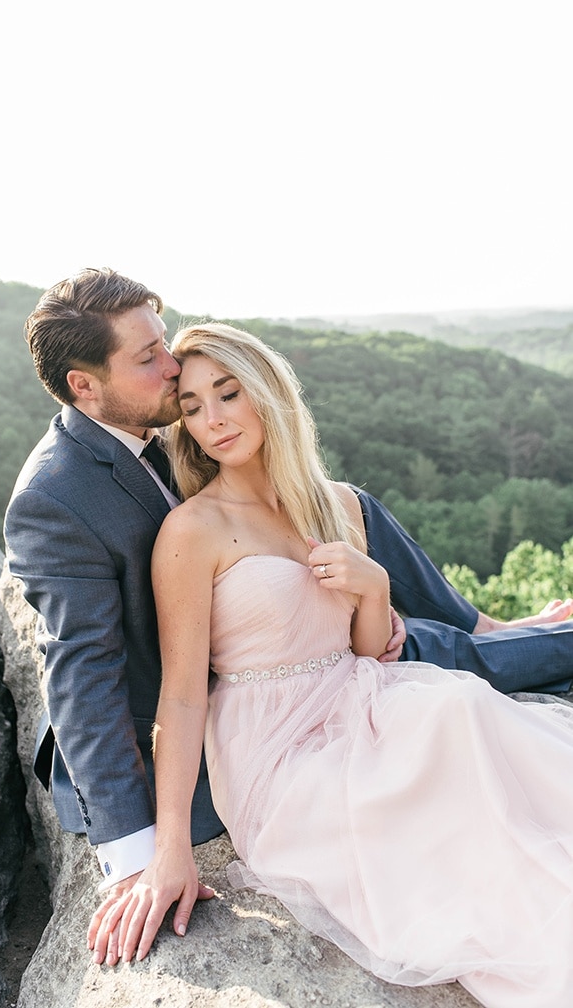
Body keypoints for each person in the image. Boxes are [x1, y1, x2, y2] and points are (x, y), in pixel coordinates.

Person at [4, 267, 573, 911]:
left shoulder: (154, 417)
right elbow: (83, 674)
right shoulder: (55, 499)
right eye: (148, 357)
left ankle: (481, 624)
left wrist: (365, 599)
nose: (171, 366)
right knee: (437, 663)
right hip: (215, 715)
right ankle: (505, 640)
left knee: (357, 525)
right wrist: (141, 854)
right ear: (84, 386)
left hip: (293, 641)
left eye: (164, 343)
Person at [90, 322, 573, 1007]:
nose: (213, 419)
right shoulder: (192, 530)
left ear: (267, 391)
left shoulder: (337, 503)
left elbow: (365, 649)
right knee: (438, 821)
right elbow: (184, 696)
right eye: (192, 406)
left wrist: (374, 589)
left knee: (460, 710)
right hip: (277, 748)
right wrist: (171, 847)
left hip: (356, 693)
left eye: (228, 393)